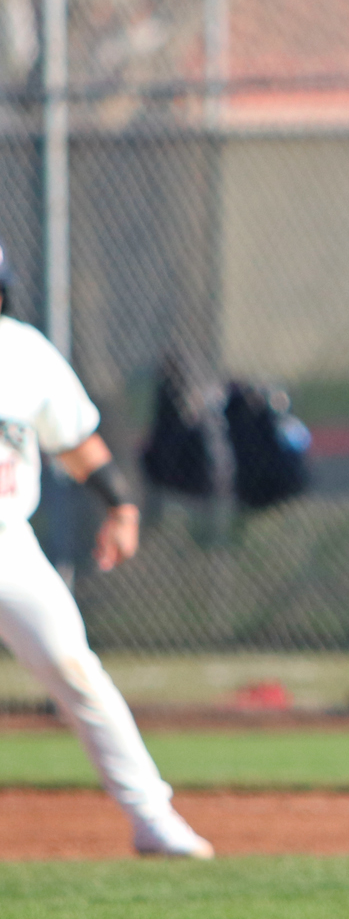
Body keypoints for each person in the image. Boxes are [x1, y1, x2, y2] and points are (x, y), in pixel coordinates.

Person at [0, 239, 214, 857]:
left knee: (78, 674)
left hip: (10, 546)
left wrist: (120, 503)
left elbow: (75, 439)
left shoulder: (23, 352)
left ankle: (153, 818)